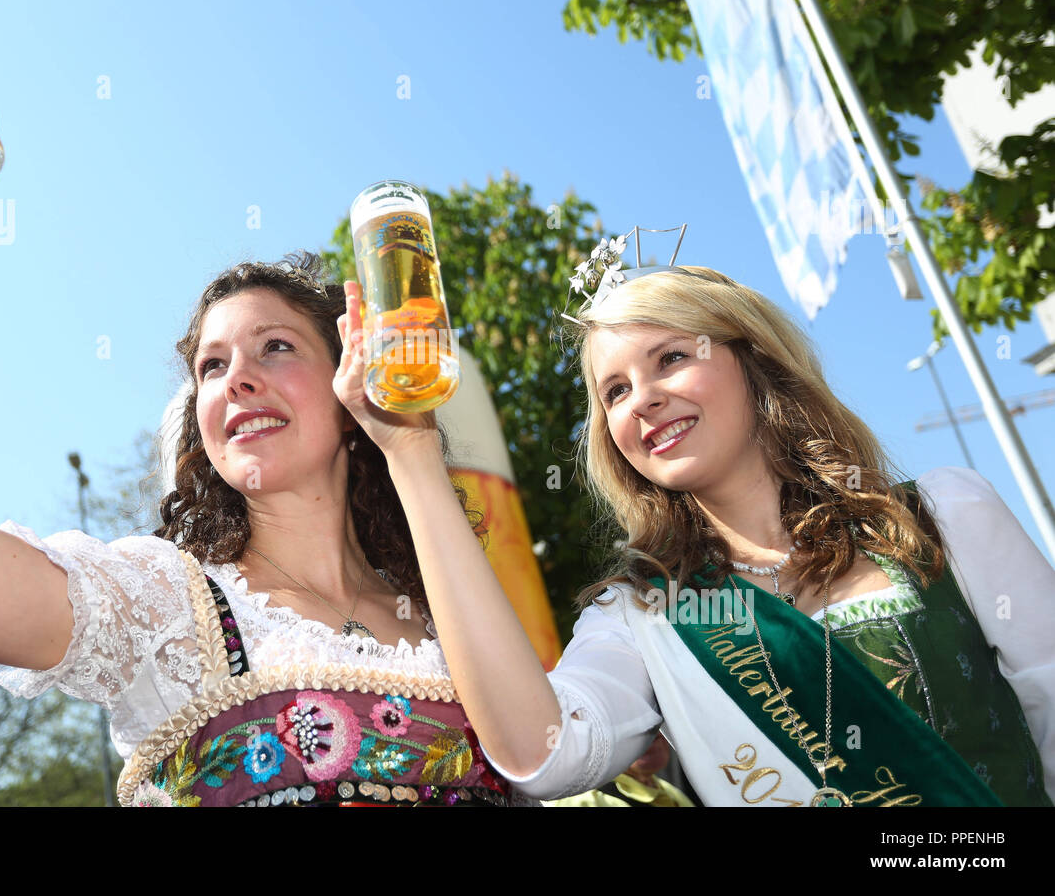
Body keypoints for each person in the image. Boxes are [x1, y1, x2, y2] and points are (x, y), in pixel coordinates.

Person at [0, 33, 519, 808]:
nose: (239, 380)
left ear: (347, 383)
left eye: (275, 347)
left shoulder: (447, 616)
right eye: (212, 367)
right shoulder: (160, 608)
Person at [337, 242, 1055, 806]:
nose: (642, 399)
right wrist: (412, 456)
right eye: (614, 390)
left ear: (754, 363)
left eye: (672, 359)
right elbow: (542, 755)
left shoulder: (941, 516)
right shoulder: (643, 614)